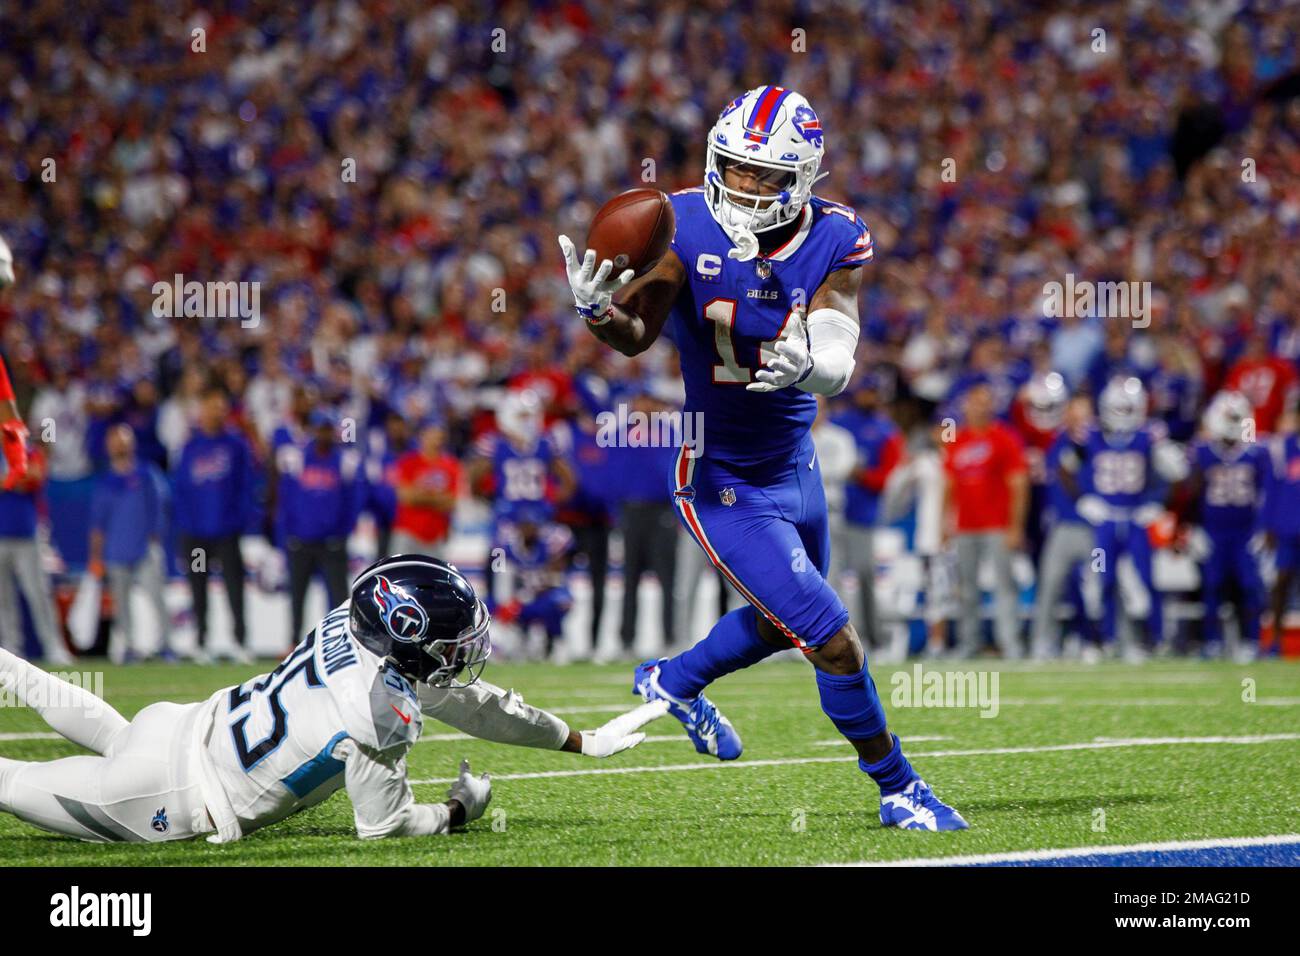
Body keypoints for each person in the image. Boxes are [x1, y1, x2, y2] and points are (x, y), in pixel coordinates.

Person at [558, 86, 966, 829]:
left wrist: (811, 367)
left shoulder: (836, 234)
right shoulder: (681, 223)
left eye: (763, 173)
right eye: (735, 166)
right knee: (833, 640)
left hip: (795, 464)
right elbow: (637, 333)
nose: (744, 184)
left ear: (802, 178)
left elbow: (839, 348)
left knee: (786, 625)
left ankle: (673, 680)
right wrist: (599, 313)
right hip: (721, 475)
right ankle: (899, 787)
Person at [0, 555, 665, 844]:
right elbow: (383, 826)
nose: (462, 653)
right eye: (450, 643)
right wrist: (459, 810)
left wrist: (580, 740)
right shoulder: (381, 712)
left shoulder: (350, 622)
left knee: (53, 697)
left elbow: (474, 705)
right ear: (409, 637)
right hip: (164, 797)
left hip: (173, 725)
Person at [1073, 377, 1189, 659]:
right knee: (1100, 579)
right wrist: (1083, 499)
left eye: (1128, 408)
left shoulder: (1149, 436)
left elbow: (1178, 474)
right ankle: (1104, 640)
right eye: (1119, 408)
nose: (1123, 414)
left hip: (1136, 521)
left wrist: (1158, 503)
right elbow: (1064, 469)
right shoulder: (1090, 435)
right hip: (1105, 523)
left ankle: (1154, 639)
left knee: (1144, 580)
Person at [941, 381, 1029, 659]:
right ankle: (969, 644)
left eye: (984, 402)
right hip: (966, 525)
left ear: (992, 406)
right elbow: (949, 484)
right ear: (966, 406)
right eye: (975, 402)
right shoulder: (956, 439)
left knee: (1004, 586)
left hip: (997, 525)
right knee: (966, 589)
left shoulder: (1005, 438)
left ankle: (1010, 643)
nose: (979, 407)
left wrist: (1016, 526)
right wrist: (946, 522)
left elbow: (1019, 484)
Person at [171, 383, 255, 662]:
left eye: (221, 407)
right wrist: (187, 525)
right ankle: (201, 641)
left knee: (234, 586)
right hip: (196, 537)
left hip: (227, 533)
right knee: (198, 586)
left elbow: (246, 486)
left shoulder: (236, 445)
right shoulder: (190, 446)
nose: (217, 412)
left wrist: (238, 520)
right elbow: (180, 489)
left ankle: (240, 642)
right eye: (212, 406)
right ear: (202, 409)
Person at [1184, 392, 1269, 660]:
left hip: (1245, 531)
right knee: (1212, 586)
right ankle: (1213, 642)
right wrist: (1194, 527)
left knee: (1249, 586)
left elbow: (1266, 494)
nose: (1232, 423)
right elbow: (1191, 495)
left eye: (1236, 417)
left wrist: (1263, 528)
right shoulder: (1202, 451)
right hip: (1214, 531)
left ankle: (1251, 641)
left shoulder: (1257, 453)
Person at [275, 408, 366, 644]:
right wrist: (286, 535)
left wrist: (343, 533)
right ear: (313, 430)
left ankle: (340, 642)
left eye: (327, 429)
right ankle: (293, 642)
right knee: (297, 596)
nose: (323, 434)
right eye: (320, 428)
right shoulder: (296, 459)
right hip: (301, 540)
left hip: (331, 542)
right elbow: (286, 500)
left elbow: (353, 502)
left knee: (338, 598)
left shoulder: (345, 461)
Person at [88, 424, 172, 662]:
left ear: (132, 444)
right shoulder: (105, 482)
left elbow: (161, 505)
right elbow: (98, 524)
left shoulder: (146, 474)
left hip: (145, 549)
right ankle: (128, 646)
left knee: (158, 599)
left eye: (123, 442)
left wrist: (154, 538)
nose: (119, 447)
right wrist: (96, 557)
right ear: (108, 447)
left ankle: (166, 645)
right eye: (115, 442)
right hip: (116, 551)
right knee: (121, 605)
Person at [391, 417, 461, 556]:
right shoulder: (408, 462)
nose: (436, 439)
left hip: (436, 535)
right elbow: (405, 497)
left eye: (439, 435)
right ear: (422, 436)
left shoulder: (451, 465)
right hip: (408, 533)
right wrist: (436, 498)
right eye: (432, 433)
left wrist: (420, 496)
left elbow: (450, 502)